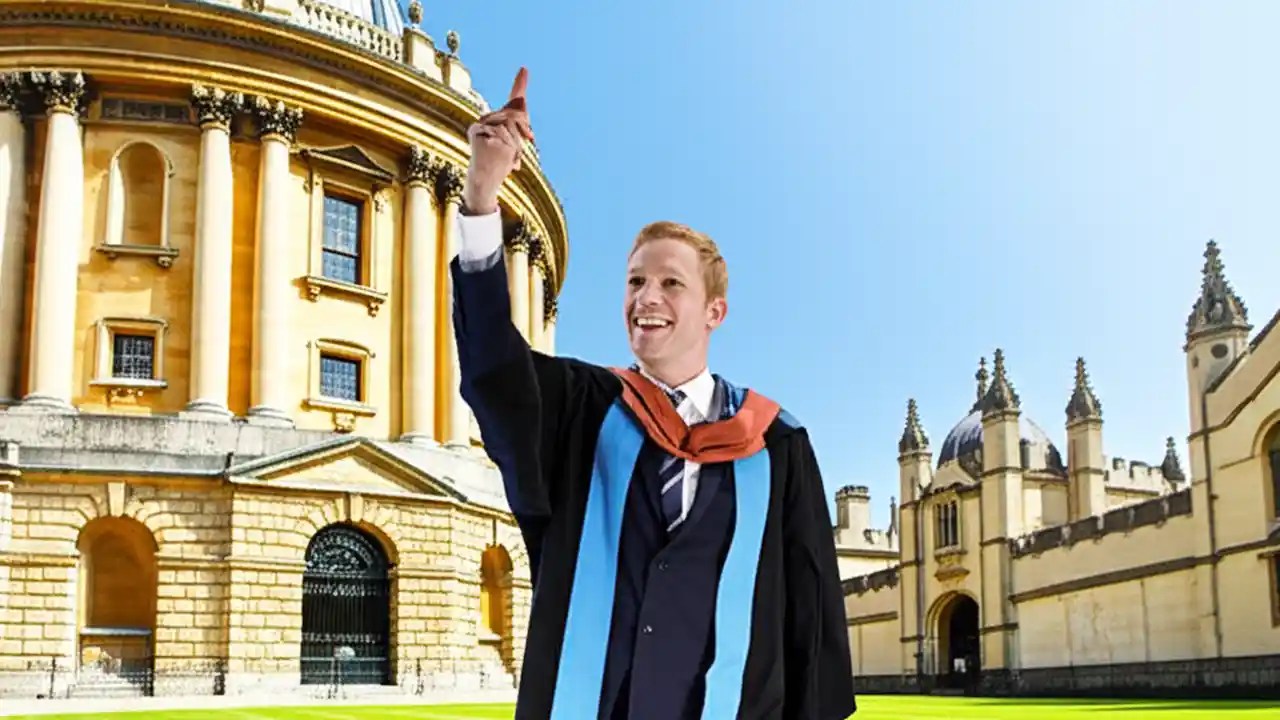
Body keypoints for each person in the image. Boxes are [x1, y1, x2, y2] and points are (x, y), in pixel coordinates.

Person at [449, 67, 856, 720]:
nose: (646, 298)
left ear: (714, 311)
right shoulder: (583, 409)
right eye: (635, 281)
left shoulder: (776, 444)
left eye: (671, 284)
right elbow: (495, 370)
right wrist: (481, 194)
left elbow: (812, 621)